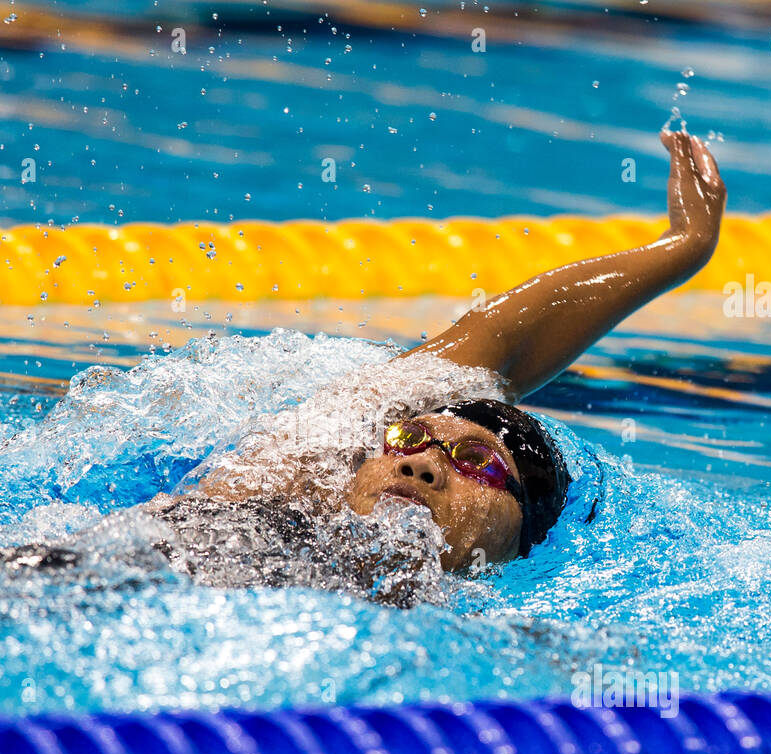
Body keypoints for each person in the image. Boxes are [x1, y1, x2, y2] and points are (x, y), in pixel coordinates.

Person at [184, 129, 726, 572]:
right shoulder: (256, 495)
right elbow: (494, 345)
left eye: (479, 465)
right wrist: (683, 249)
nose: (421, 464)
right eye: (406, 438)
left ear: (520, 541)